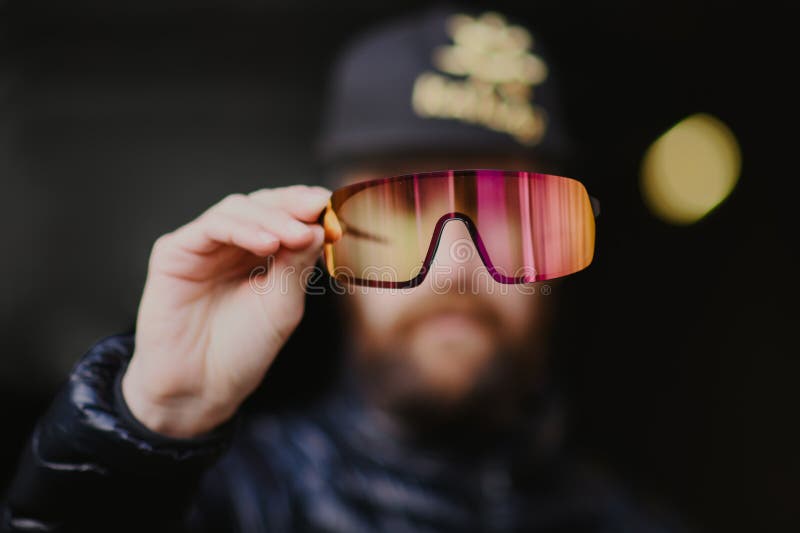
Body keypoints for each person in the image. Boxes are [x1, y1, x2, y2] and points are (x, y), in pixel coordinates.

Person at [2, 5, 684, 533]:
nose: (452, 263)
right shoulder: (226, 502)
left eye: (504, 210)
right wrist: (149, 419)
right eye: (401, 208)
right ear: (325, 238)